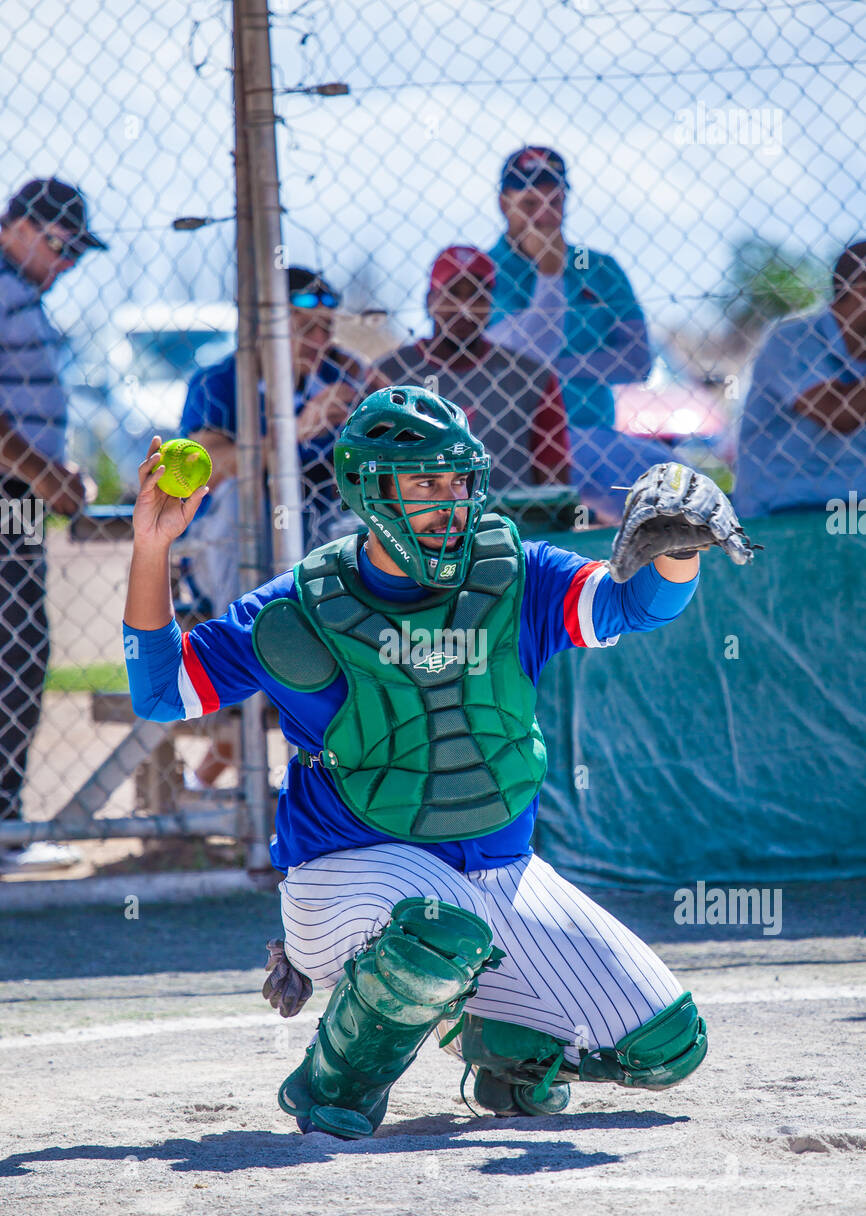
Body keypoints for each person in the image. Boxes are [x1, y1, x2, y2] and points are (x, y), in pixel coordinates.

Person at [122, 384, 756, 1138]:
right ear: (369, 487)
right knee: (438, 925)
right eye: (425, 482)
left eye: (459, 480)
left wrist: (678, 545)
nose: (450, 502)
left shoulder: (515, 572)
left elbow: (635, 603)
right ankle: (337, 1079)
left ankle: (505, 1050)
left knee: (666, 1047)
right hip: (344, 884)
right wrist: (153, 546)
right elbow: (163, 690)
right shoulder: (300, 607)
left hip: (498, 875)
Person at [177, 266, 362, 791]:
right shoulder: (219, 382)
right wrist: (292, 432)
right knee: (239, 496)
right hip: (237, 556)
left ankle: (239, 777)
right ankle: (258, 631)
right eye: (304, 325)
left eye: (326, 326)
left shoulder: (336, 380)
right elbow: (207, 467)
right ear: (264, 327)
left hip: (314, 543)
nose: (319, 340)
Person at [0, 178, 106, 873]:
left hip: (17, 495)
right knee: (16, 649)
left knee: (21, 648)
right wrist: (42, 474)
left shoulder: (21, 295)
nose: (66, 263)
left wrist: (57, 473)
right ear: (21, 226)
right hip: (11, 489)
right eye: (62, 245)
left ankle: (6, 821)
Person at [486, 145, 678, 522]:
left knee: (684, 493)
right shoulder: (483, 273)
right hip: (511, 441)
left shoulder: (600, 269)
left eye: (554, 202)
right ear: (503, 203)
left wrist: (554, 369)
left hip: (592, 435)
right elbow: (509, 357)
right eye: (528, 204)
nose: (543, 216)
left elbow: (638, 361)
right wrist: (550, 273)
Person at [367, 245, 571, 498]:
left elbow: (556, 481)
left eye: (477, 296)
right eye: (453, 293)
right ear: (430, 301)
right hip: (414, 527)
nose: (465, 307)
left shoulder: (532, 378)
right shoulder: (389, 376)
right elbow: (364, 466)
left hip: (514, 527)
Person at [733, 241, 866, 518]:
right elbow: (838, 415)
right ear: (860, 291)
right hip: (785, 507)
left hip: (853, 507)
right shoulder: (791, 340)